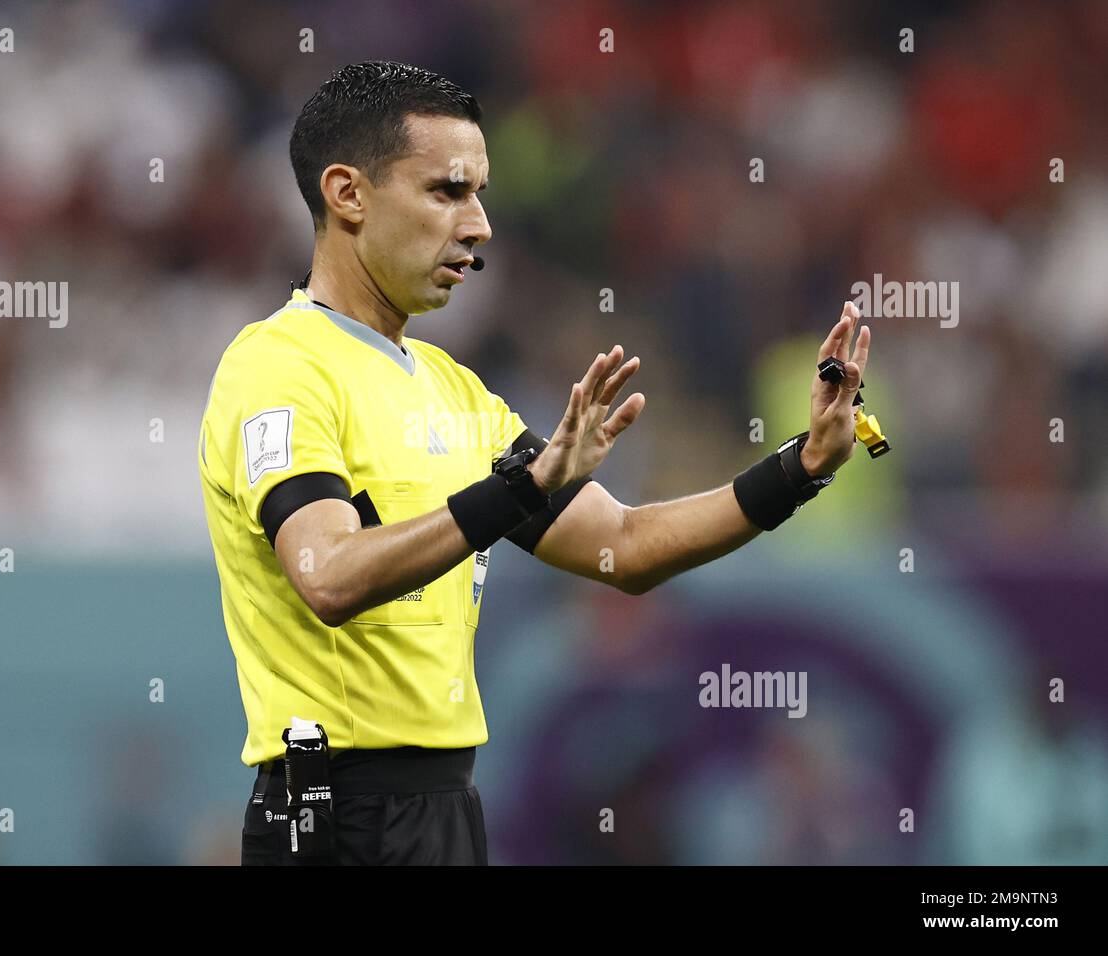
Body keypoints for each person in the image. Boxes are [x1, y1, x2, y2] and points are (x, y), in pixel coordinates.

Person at [197, 60, 872, 865]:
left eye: (479, 195)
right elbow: (329, 575)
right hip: (336, 817)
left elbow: (625, 547)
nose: (478, 225)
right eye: (447, 192)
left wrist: (801, 468)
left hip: (446, 810)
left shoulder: (455, 391)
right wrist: (518, 488)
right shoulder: (280, 366)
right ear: (347, 194)